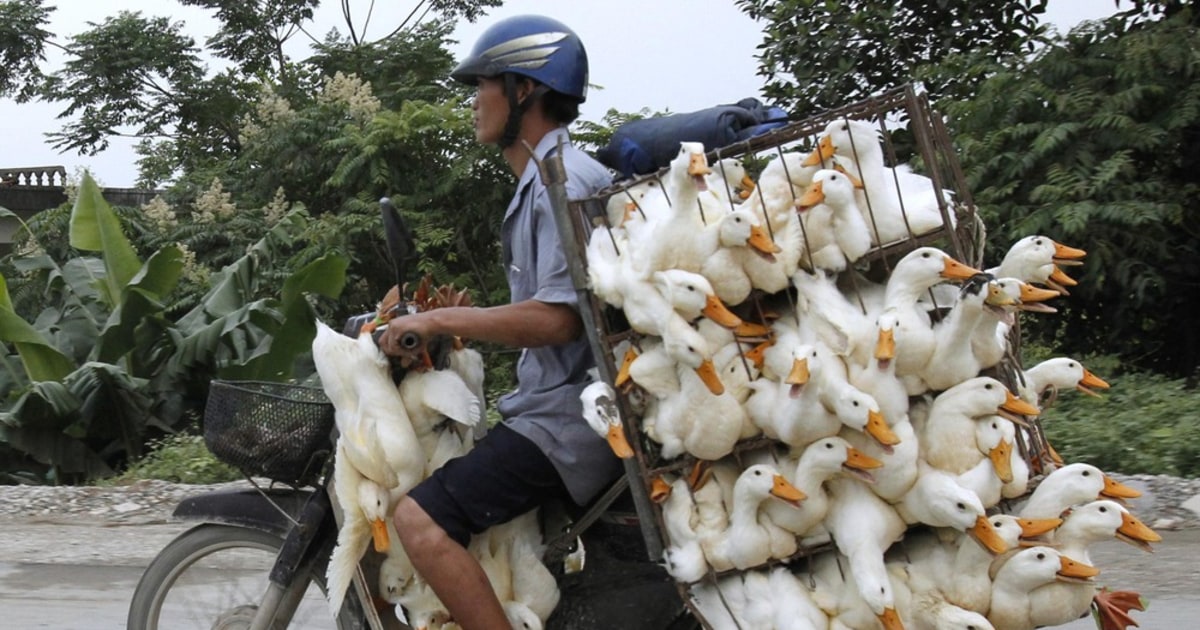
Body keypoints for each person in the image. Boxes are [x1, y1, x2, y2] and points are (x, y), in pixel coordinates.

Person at [378, 14, 623, 630]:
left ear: (524, 92)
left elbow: (558, 321)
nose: (474, 102)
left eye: (483, 85)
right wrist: (447, 326)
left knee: (418, 520)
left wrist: (444, 321)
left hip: (567, 424)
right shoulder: (542, 182)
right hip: (554, 409)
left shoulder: (560, 185)